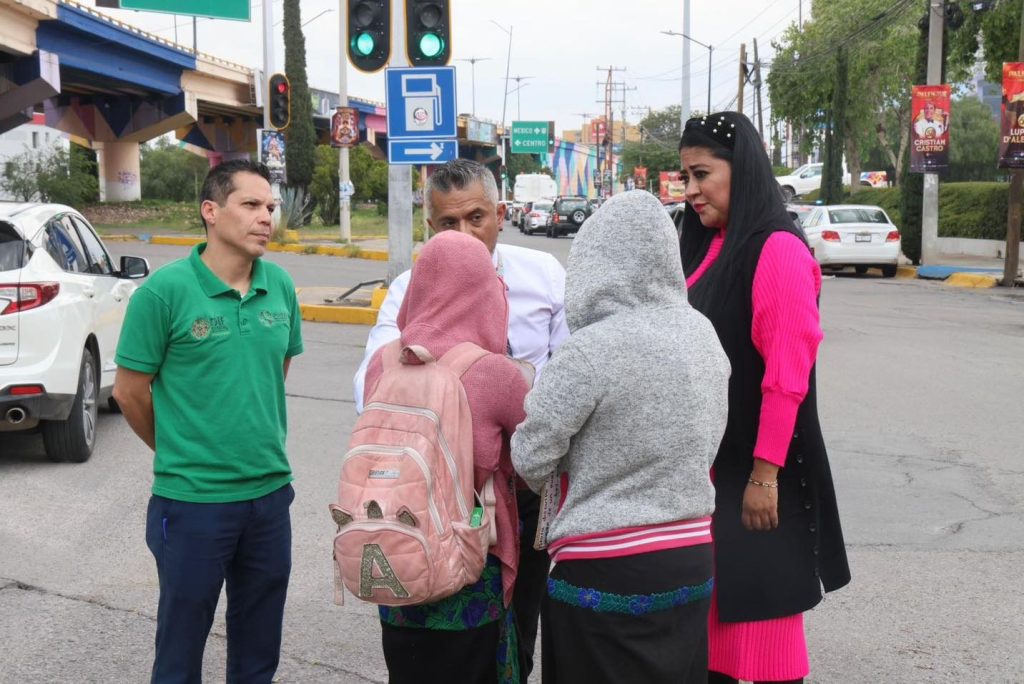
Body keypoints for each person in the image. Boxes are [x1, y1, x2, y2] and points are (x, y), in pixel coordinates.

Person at [353, 158, 569, 677]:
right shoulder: (411, 287)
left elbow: (568, 378)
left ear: (500, 213)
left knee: (516, 625)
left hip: (520, 498)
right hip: (426, 498)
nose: (465, 235)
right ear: (430, 226)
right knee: (466, 638)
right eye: (449, 223)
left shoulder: (544, 274)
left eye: (476, 218)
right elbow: (369, 389)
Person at [511, 190, 731, 683]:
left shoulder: (588, 350)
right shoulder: (704, 335)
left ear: (592, 263)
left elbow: (530, 457)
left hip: (603, 564)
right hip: (691, 554)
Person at [676, 112, 851, 684]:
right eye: (685, 177)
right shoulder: (708, 245)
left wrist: (764, 475)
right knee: (713, 640)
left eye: (702, 174)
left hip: (755, 473)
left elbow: (786, 377)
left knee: (762, 625)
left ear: (742, 170)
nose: (691, 190)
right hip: (709, 476)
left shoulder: (776, 250)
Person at [113, 159, 303, 683]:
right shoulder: (164, 292)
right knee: (180, 647)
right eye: (251, 205)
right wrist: (180, 447)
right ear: (211, 211)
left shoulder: (280, 287)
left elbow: (273, 375)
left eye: (270, 207)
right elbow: (129, 393)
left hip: (269, 497)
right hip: (193, 502)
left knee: (259, 647)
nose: (266, 217)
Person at [363, 229, 532, 683]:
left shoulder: (384, 363)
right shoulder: (496, 373)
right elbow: (532, 460)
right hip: (469, 567)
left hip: (396, 560)